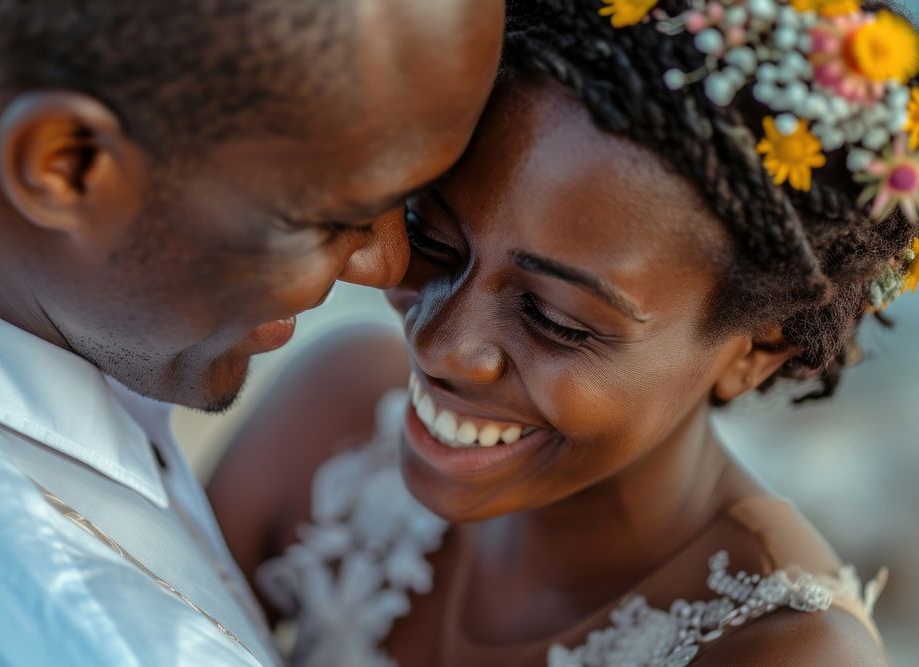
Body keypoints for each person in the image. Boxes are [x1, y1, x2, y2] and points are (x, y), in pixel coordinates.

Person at [208, 0, 919, 664]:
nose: (442, 345)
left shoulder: (783, 651)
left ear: (760, 350)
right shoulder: (337, 413)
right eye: (433, 239)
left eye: (557, 320)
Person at [0, 1, 503, 665]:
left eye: (419, 204)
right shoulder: (110, 635)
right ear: (70, 165)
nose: (392, 267)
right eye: (337, 217)